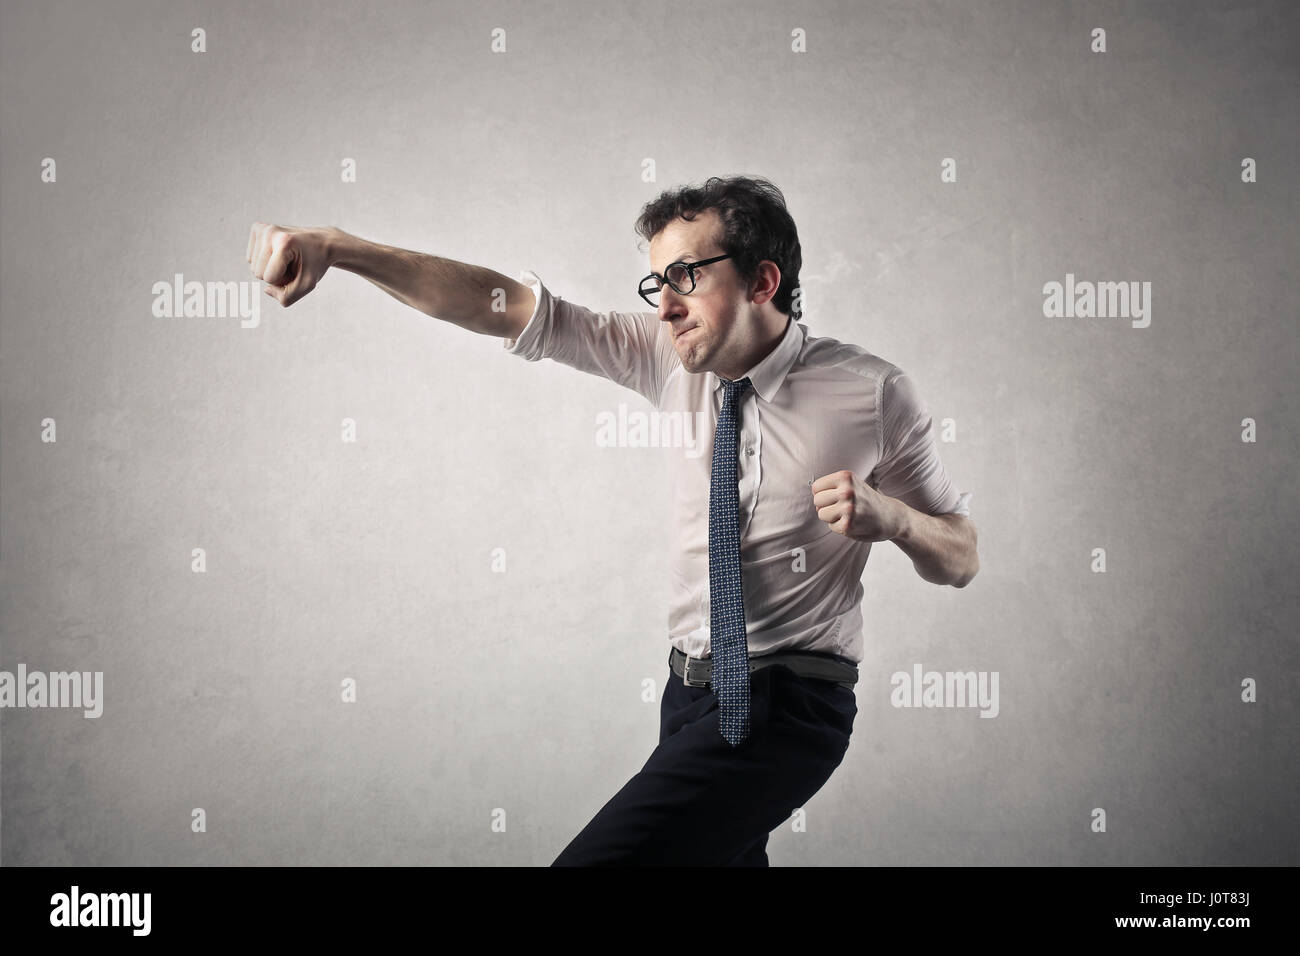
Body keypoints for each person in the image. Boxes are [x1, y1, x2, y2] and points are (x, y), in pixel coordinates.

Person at [246, 174, 979, 866]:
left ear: (763, 280)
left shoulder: (872, 393)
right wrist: (341, 249)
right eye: (657, 283)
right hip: (688, 696)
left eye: (686, 277)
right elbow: (499, 305)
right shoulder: (666, 360)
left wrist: (895, 520)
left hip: (786, 704)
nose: (664, 307)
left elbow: (962, 556)